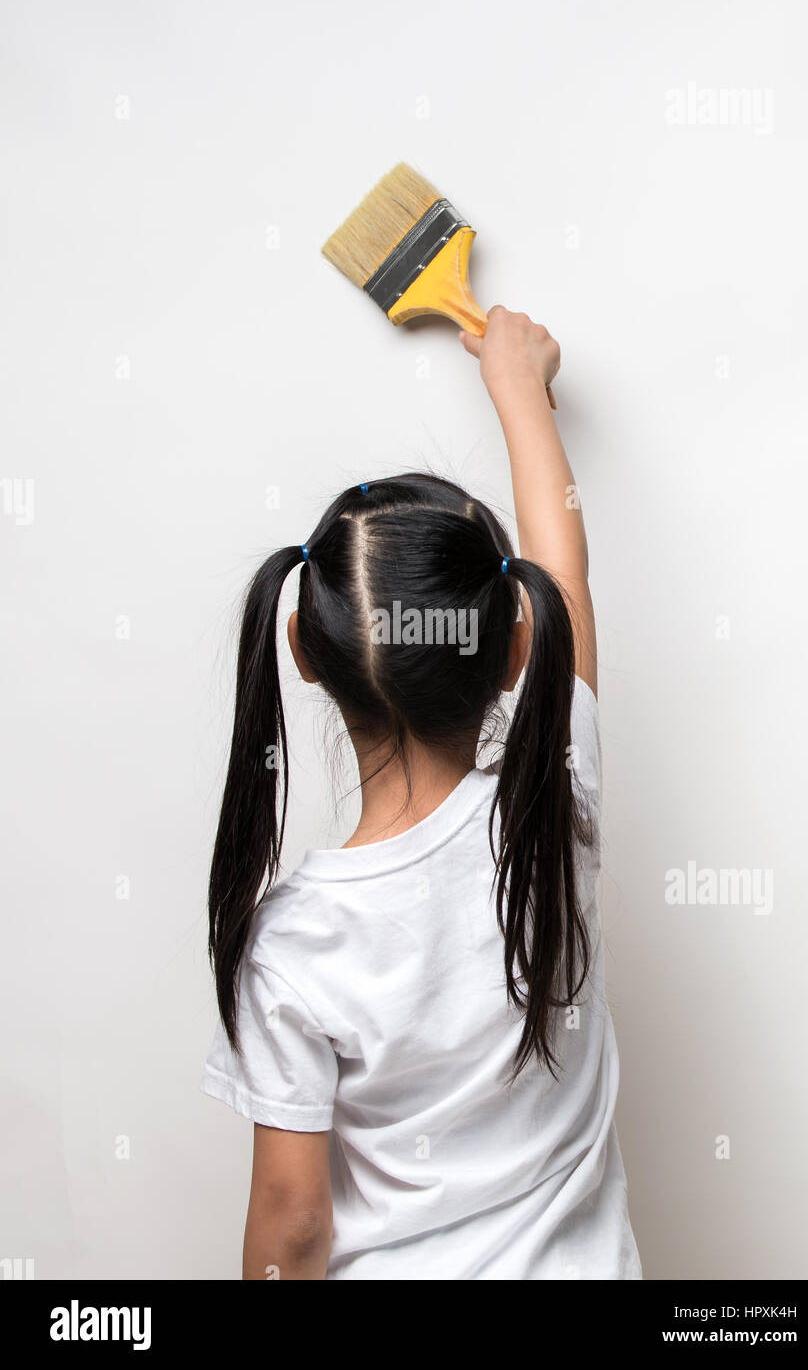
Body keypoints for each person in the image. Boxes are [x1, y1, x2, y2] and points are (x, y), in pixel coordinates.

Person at [200, 306, 642, 1280]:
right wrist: (518, 384)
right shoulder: (551, 802)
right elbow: (563, 575)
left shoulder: (295, 945)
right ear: (518, 643)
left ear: (303, 653)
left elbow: (292, 1223)